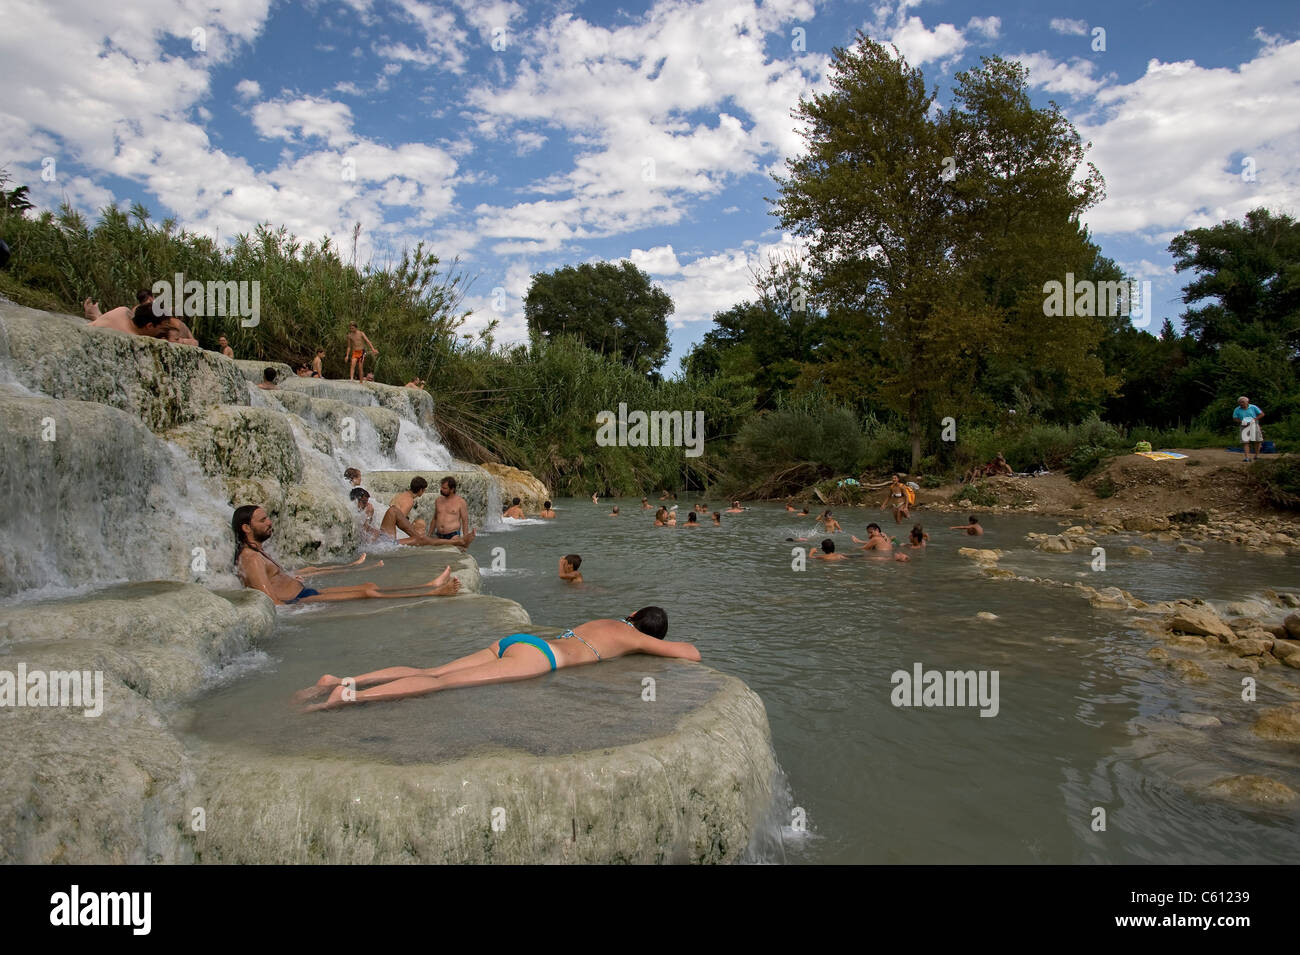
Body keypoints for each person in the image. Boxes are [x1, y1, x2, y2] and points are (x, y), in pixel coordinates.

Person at [293, 607, 699, 711]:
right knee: (442, 684)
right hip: (542, 657)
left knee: (430, 671)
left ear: (631, 614)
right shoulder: (633, 638)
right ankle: (349, 698)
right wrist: (650, 643)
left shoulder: (608, 621)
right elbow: (690, 654)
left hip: (519, 639)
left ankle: (342, 680)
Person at [230, 505, 461, 606]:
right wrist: (306, 608)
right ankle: (434, 591)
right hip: (299, 601)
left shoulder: (257, 550)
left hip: (303, 593)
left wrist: (292, 580)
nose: (270, 522)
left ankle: (428, 584)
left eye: (268, 517)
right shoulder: (250, 558)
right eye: (263, 520)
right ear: (246, 528)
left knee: (368, 585)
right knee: (367, 592)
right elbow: (271, 601)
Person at [379, 477, 434, 543]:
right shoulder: (409, 501)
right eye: (424, 490)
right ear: (420, 490)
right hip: (391, 534)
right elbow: (400, 521)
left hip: (384, 526)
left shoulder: (400, 495)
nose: (424, 492)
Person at [432, 476, 475, 546]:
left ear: (452, 489)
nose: (441, 489)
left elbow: (465, 521)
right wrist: (429, 534)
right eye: (441, 487)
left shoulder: (461, 502)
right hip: (438, 535)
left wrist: (465, 539)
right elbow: (434, 519)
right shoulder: (438, 500)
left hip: (453, 535)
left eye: (444, 488)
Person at [1233, 396, 1265, 462]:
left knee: (1258, 441)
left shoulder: (1253, 407)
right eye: (1240, 402)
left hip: (1254, 424)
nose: (1241, 404)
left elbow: (1262, 414)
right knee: (1245, 442)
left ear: (1247, 402)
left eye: (1243, 402)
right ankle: (1247, 457)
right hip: (1244, 425)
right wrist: (1241, 421)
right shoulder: (1237, 409)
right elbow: (1235, 418)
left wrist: (1254, 419)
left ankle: (1256, 456)